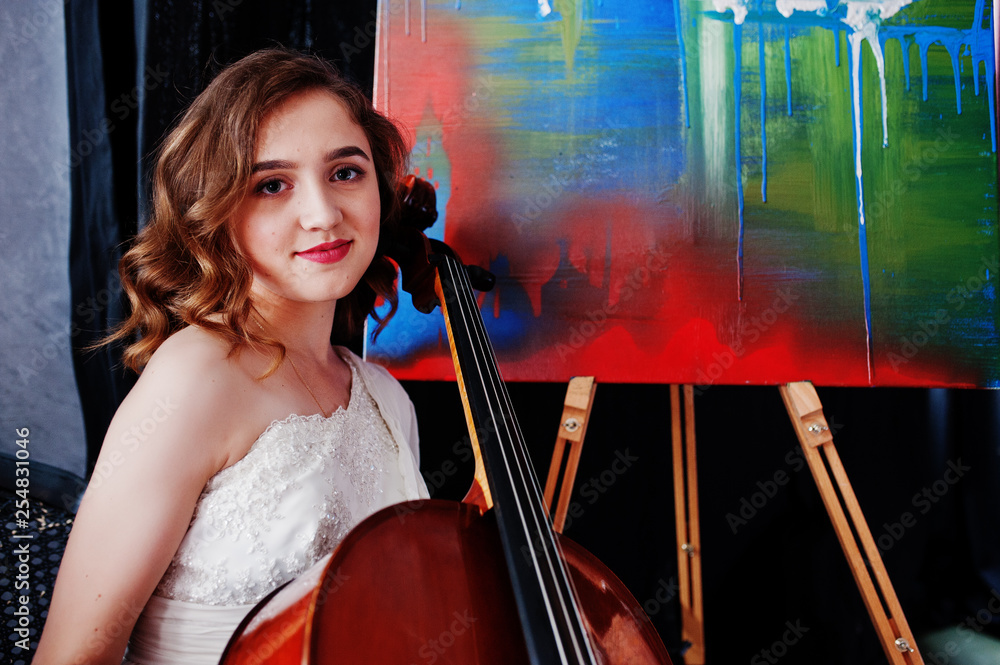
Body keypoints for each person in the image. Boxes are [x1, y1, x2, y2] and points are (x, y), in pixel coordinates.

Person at [34, 48, 429, 664]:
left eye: (345, 172)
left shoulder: (385, 399)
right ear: (217, 214)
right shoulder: (198, 376)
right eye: (271, 185)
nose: (323, 215)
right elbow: (76, 652)